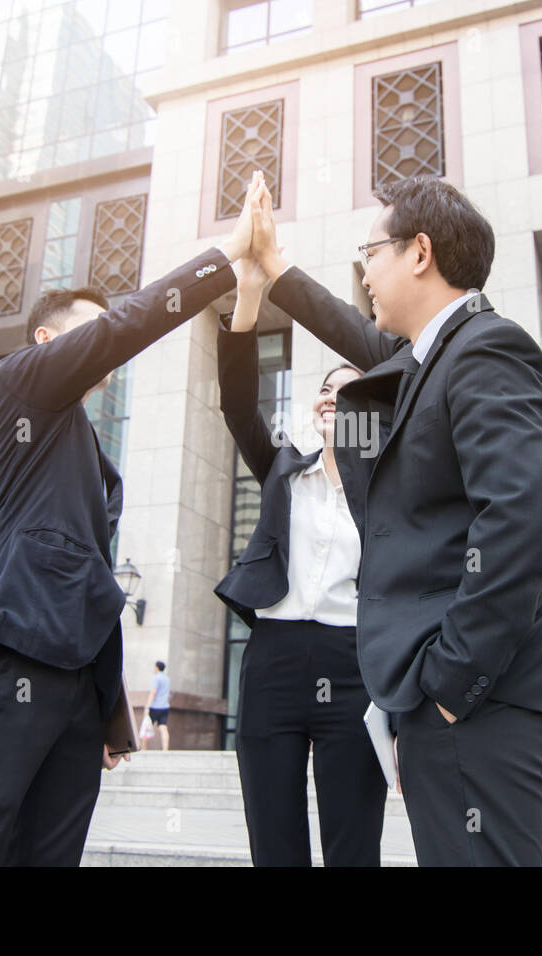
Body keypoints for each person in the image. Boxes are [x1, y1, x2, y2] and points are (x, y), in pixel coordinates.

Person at [242, 170, 542, 866]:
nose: (365, 272)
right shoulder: (432, 356)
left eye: (370, 253)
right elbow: (353, 331)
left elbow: (519, 525)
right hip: (465, 693)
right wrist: (272, 268)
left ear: (419, 252)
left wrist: (447, 685)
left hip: (483, 692)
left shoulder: (486, 348)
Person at [0, 182, 260, 867]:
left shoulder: (92, 459)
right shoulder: (19, 385)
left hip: (72, 693)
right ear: (46, 340)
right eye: (91, 328)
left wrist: (104, 710)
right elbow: (122, 326)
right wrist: (229, 253)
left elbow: (92, 578)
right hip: (2, 657)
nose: (108, 346)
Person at [212, 251, 388, 867]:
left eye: (348, 391)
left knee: (353, 838)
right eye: (324, 390)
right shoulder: (283, 471)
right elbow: (238, 407)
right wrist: (250, 300)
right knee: (274, 839)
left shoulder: (389, 490)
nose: (331, 398)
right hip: (274, 662)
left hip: (353, 666)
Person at [142, 660, 170, 751]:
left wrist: (147, 706)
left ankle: (143, 748)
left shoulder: (156, 678)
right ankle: (165, 749)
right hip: (165, 707)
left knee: (147, 726)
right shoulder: (167, 678)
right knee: (163, 727)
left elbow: (153, 692)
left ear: (157, 668)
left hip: (155, 707)